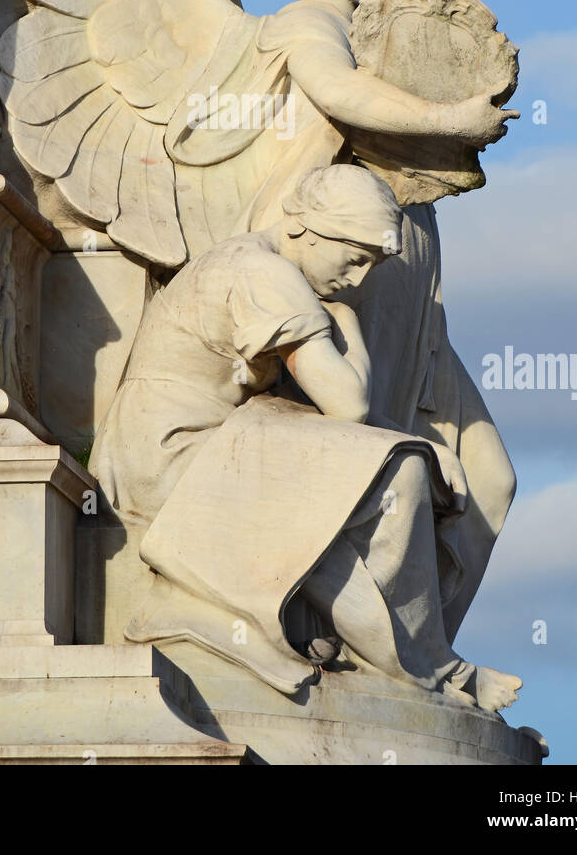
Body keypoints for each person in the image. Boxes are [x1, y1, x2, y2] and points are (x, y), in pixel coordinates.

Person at [92, 165, 521, 711]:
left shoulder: (260, 265)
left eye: (371, 264)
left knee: (376, 484)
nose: (359, 279)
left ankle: (423, 664)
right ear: (305, 231)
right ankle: (431, 670)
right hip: (174, 458)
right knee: (400, 472)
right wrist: (347, 321)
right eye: (355, 257)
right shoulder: (264, 275)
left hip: (215, 444)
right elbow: (349, 406)